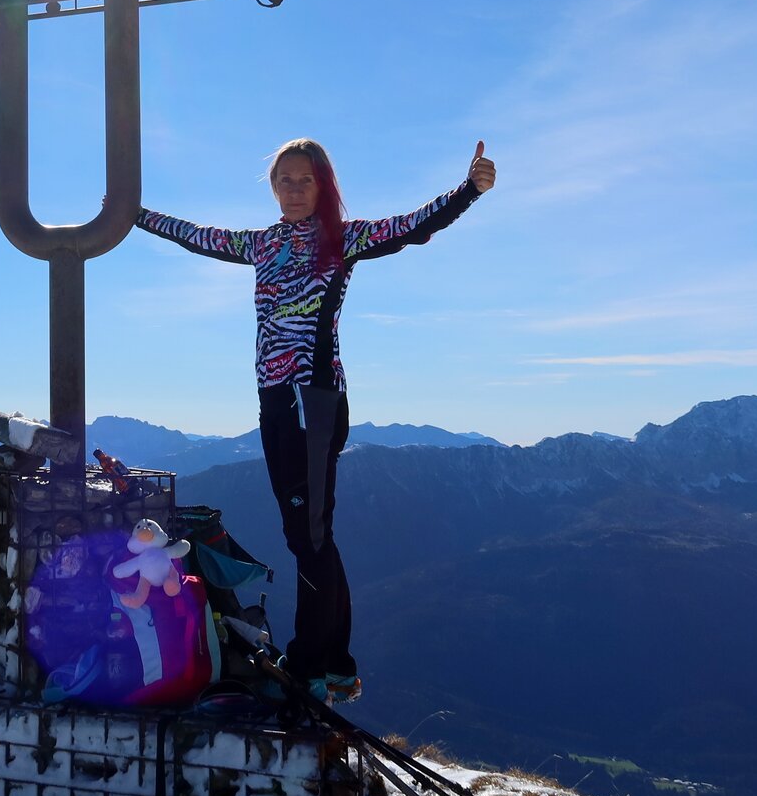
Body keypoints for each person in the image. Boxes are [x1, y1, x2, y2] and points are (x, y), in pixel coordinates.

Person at [133, 137, 496, 703]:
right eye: (285, 180)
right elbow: (197, 236)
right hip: (275, 400)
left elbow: (415, 225)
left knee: (309, 536)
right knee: (309, 536)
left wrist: (468, 191)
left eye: (306, 180)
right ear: (273, 187)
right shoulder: (262, 244)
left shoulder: (342, 238)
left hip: (315, 400)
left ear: (323, 185)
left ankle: (310, 665)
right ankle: (336, 665)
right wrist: (134, 215)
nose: (295, 190)